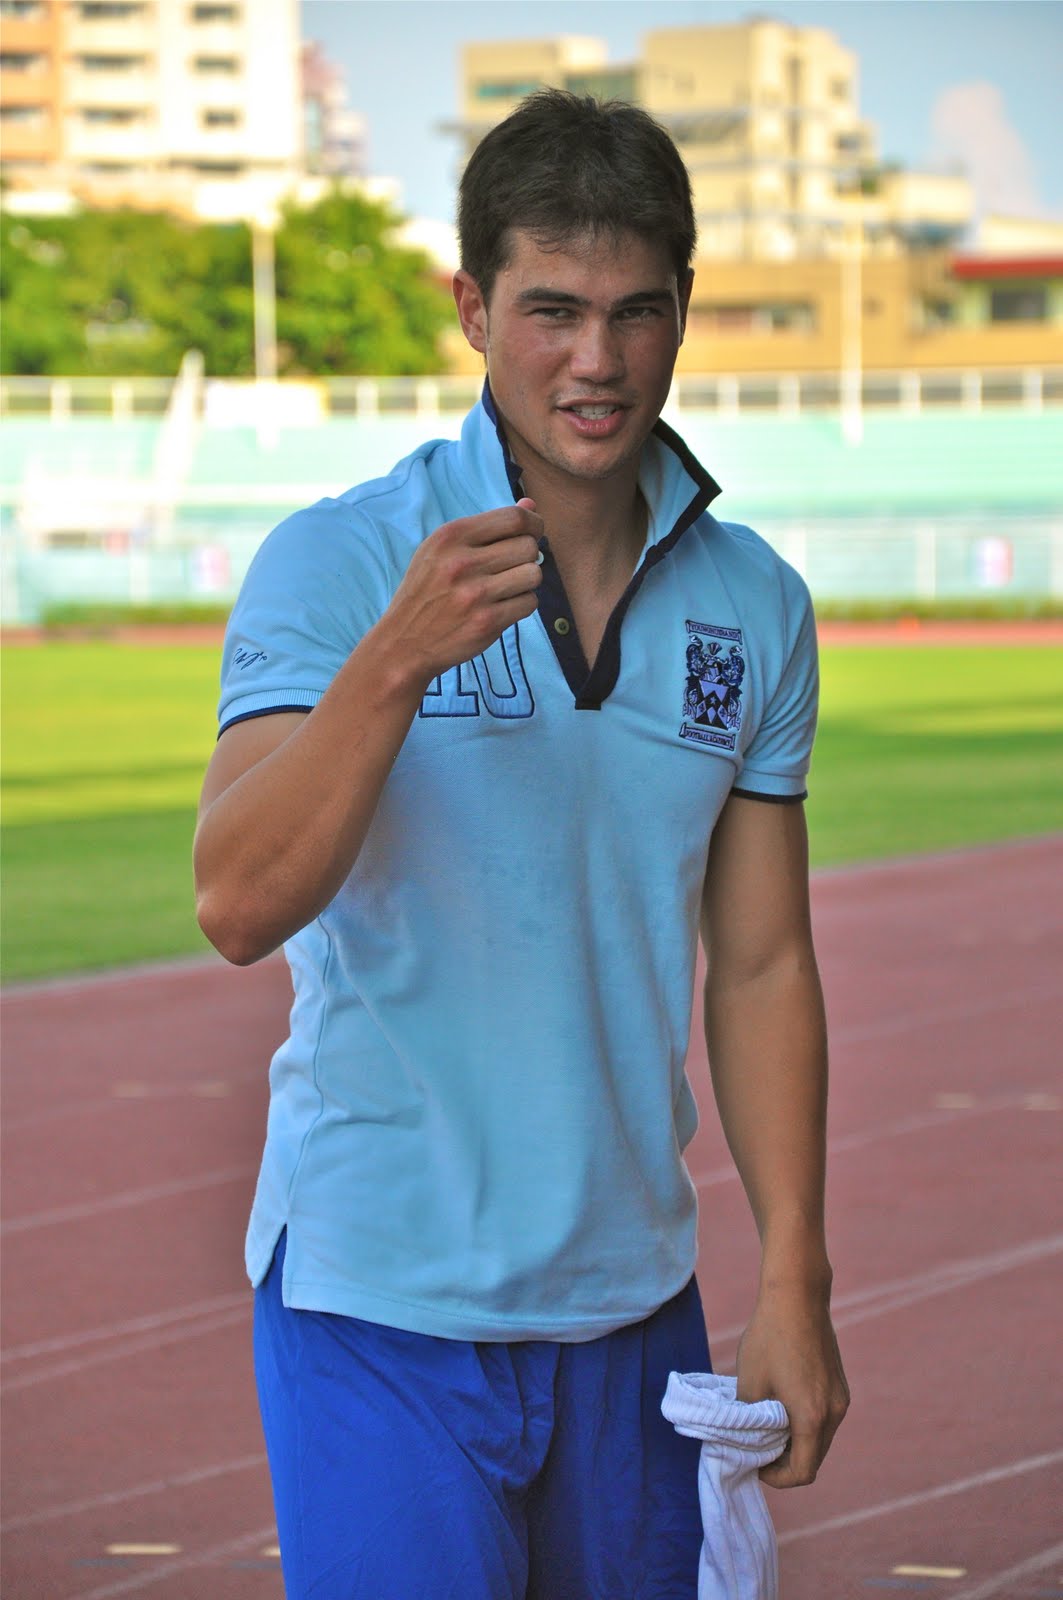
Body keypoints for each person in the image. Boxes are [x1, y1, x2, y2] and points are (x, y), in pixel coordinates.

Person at [194, 89, 848, 1599]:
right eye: (551, 309)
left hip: (635, 1306)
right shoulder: (346, 557)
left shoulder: (757, 606)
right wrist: (395, 659)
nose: (597, 360)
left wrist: (796, 1274)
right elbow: (238, 899)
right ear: (473, 310)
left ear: (684, 314)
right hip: (378, 1299)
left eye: (637, 312)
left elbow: (756, 966)